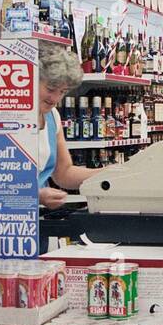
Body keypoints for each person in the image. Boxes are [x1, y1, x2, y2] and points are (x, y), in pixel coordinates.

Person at [36, 44, 102, 208]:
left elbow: (63, 173)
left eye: (63, 91)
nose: (55, 98)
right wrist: (35, 195)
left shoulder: (52, 117)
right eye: (51, 89)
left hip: (35, 219)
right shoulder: (6, 117)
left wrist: (111, 173)